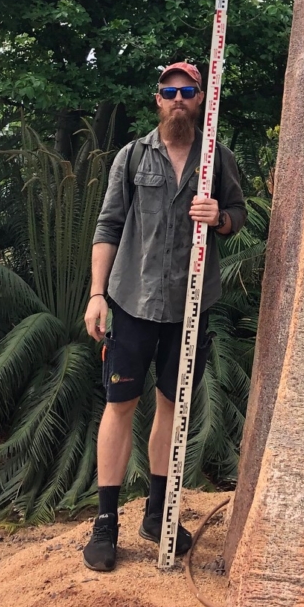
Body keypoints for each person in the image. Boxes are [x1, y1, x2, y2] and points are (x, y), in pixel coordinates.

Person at [82, 60, 247, 572]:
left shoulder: (216, 158)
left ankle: (158, 514)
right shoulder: (133, 156)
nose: (178, 99)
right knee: (120, 405)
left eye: (187, 91)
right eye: (169, 91)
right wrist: (97, 295)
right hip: (132, 301)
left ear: (200, 100)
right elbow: (108, 225)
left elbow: (238, 213)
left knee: (172, 406)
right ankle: (106, 523)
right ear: (158, 99)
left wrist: (219, 217)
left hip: (189, 307)